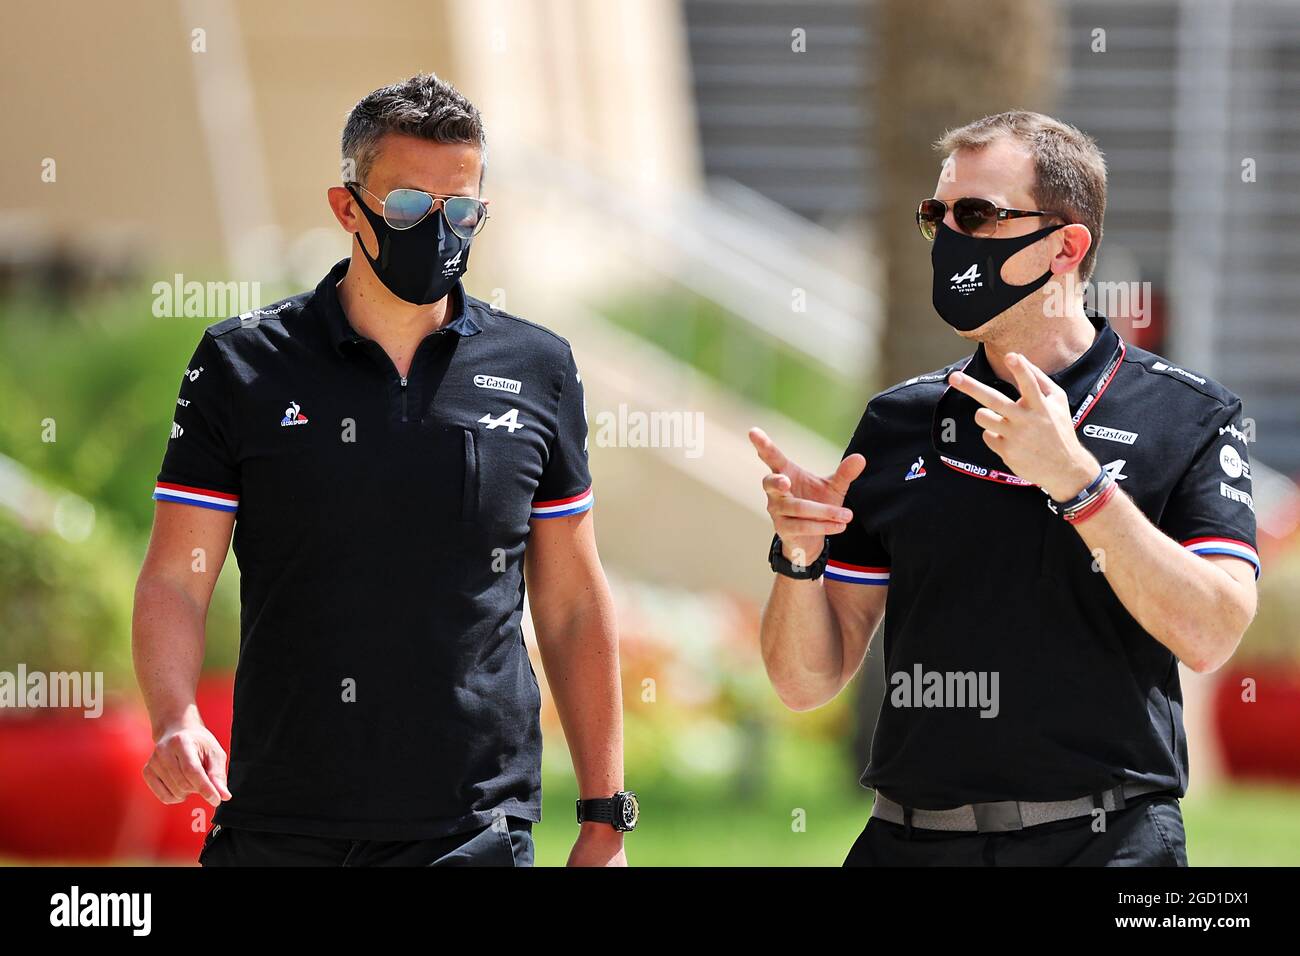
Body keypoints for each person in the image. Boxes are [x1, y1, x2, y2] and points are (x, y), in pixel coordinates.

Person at [133, 73, 636, 867]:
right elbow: (175, 576)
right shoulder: (242, 363)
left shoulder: (539, 366)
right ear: (347, 208)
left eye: (461, 209)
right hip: (278, 820)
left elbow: (571, 600)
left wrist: (605, 818)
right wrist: (173, 716)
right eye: (408, 206)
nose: (438, 229)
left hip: (473, 829)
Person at [751, 111, 1258, 866]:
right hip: (909, 840)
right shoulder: (898, 422)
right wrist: (798, 557)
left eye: (978, 215)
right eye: (939, 215)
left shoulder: (1189, 416)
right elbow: (805, 682)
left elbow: (1213, 632)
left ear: (1067, 244)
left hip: (1107, 842)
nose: (951, 237)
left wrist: (1078, 484)